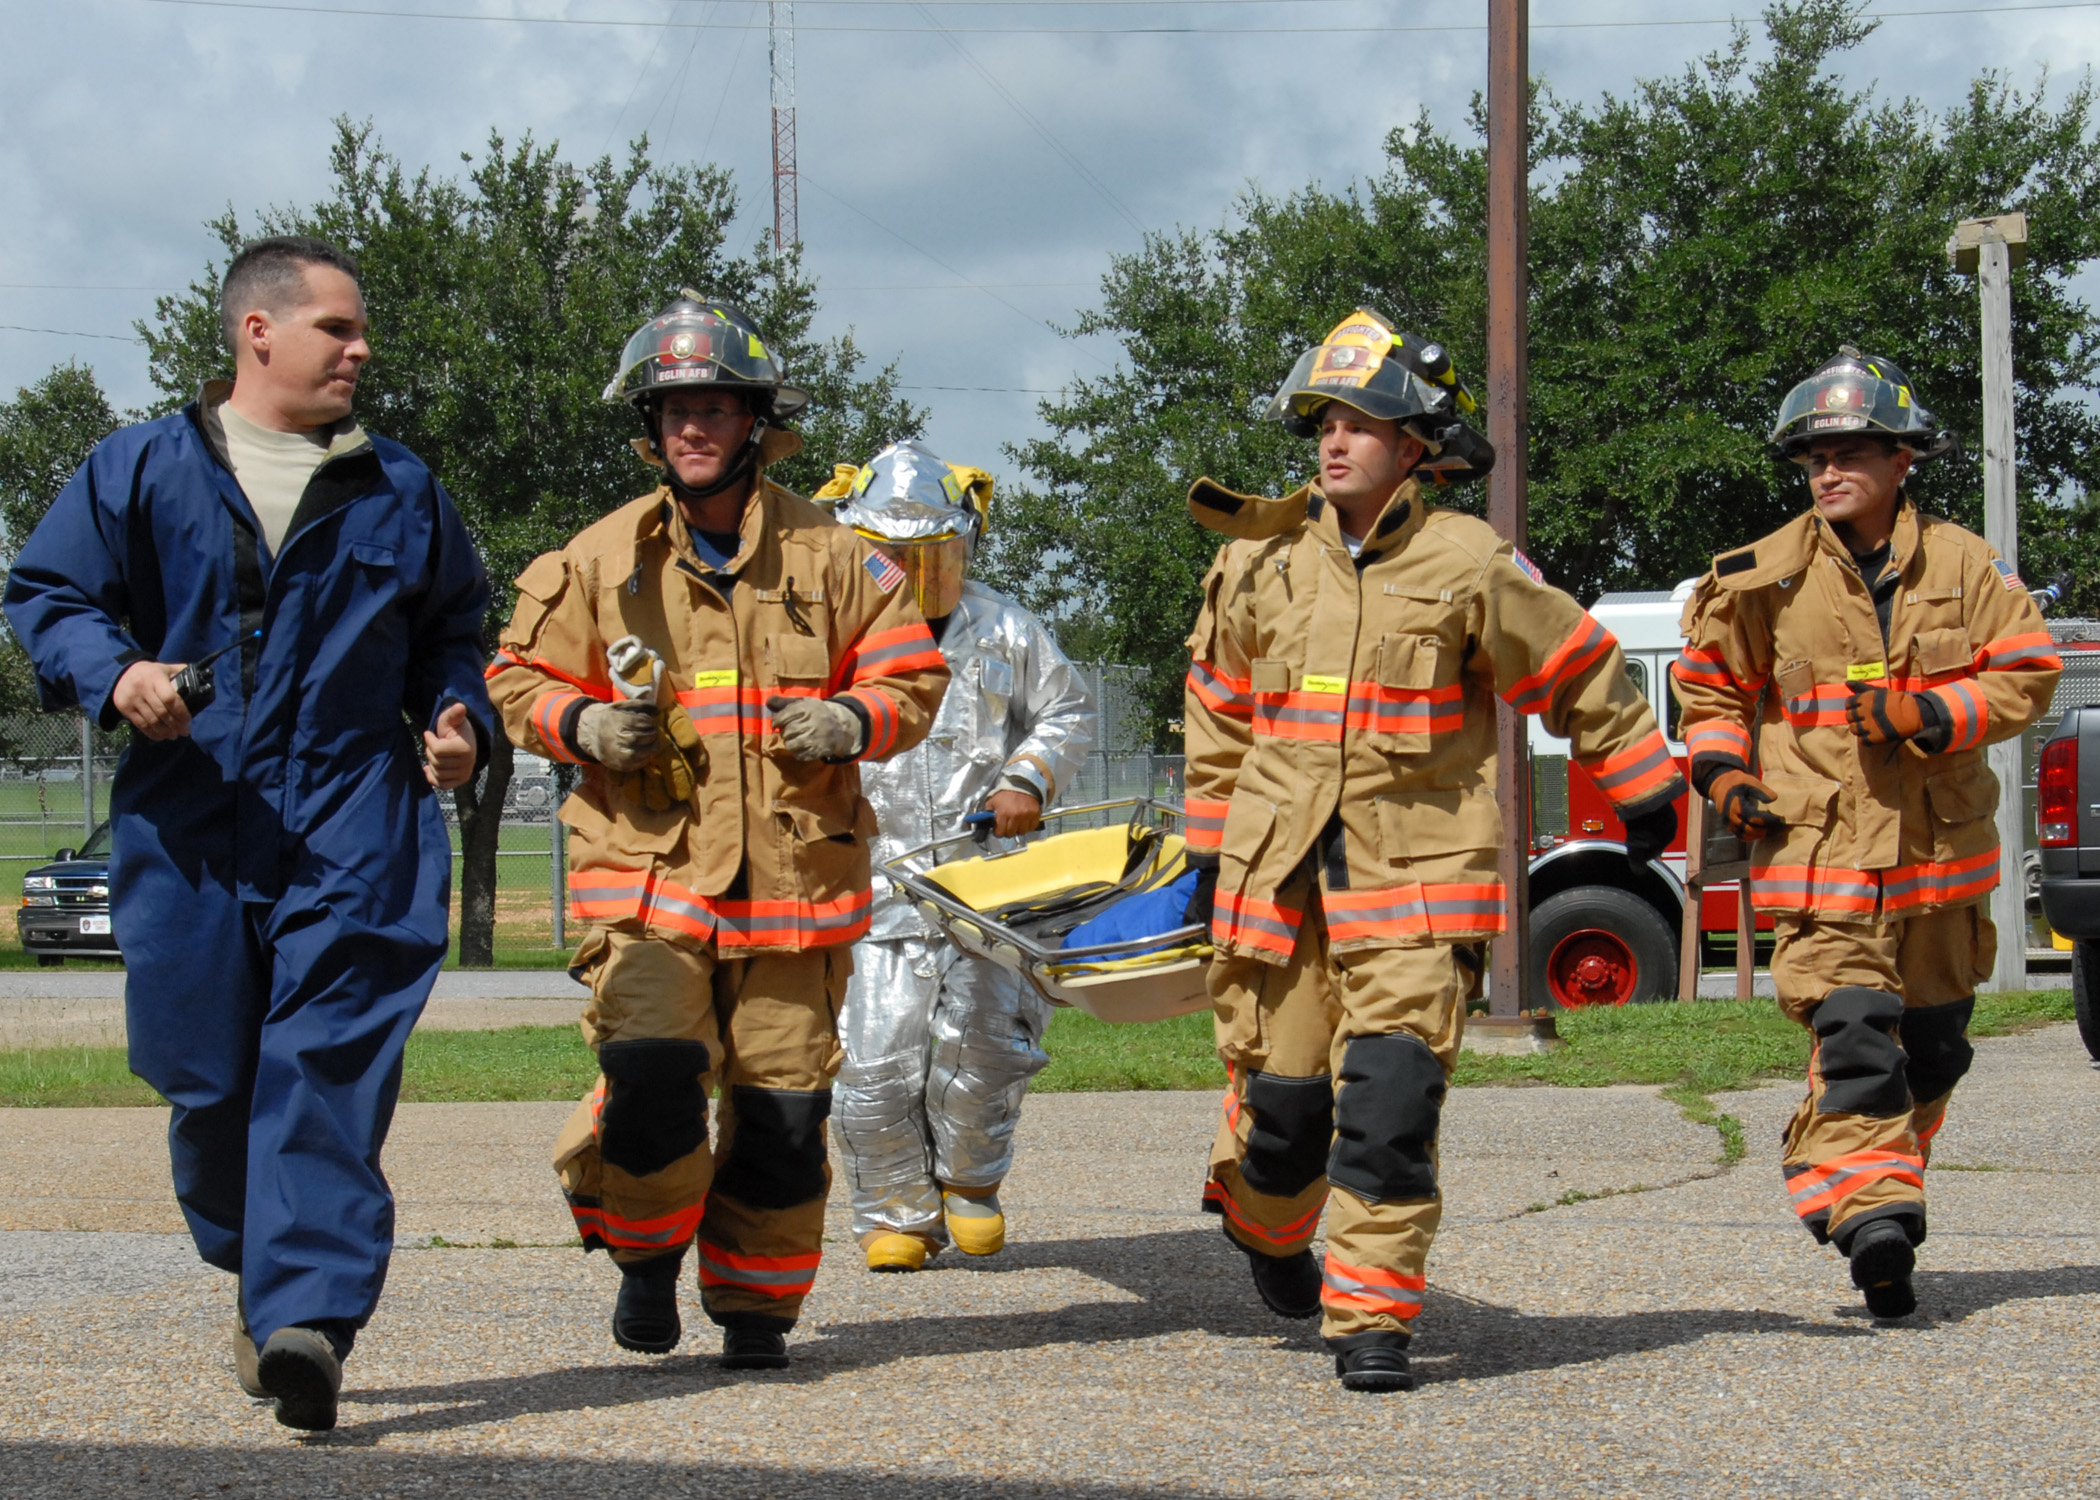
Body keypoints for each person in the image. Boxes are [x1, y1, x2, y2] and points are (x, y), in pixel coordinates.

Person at [3, 235, 492, 1432]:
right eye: (338, 327)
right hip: (191, 819)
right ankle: (257, 1268)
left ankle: (307, 1319)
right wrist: (119, 675)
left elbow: (455, 634)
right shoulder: (139, 467)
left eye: (361, 330)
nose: (361, 349)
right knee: (209, 1080)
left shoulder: (400, 487)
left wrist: (461, 721)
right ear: (257, 331)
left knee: (324, 1066)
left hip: (353, 818)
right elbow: (47, 595)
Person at [1180, 310, 1683, 1392]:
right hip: (1277, 888)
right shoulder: (1259, 561)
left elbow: (1575, 664)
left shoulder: (1468, 562)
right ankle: (1268, 1226)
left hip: (1413, 886)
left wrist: (1641, 777)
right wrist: (1206, 854)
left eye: (1361, 423)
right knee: (1284, 1120)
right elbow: (1217, 711)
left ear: (1415, 445)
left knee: (1392, 1104)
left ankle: (1371, 1319)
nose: (1335, 440)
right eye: (1325, 420)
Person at [485, 293, 950, 1369]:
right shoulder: (598, 560)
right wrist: (582, 724)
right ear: (651, 429)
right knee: (651, 1082)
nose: (693, 427)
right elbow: (514, 677)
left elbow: (912, 678)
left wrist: (853, 720)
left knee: (782, 1118)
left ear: (756, 422)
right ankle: (646, 1261)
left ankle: (754, 1309)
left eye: (716, 407)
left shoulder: (834, 556)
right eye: (674, 410)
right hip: (649, 883)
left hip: (795, 887)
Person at [1672, 348, 2060, 1318]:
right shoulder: (1760, 576)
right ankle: (1875, 1215)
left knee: (1934, 1055)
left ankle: (1858, 1177)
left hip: (1941, 868)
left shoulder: (1968, 567)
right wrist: (1724, 775)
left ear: (1902, 460)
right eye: (1815, 458)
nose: (1828, 471)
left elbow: (2027, 672)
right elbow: (1711, 691)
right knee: (1855, 1041)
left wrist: (1932, 713)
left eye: (1849, 453)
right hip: (1821, 862)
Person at [812, 440, 1097, 1273]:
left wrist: (1027, 781)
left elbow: (1067, 713)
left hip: (988, 886)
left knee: (988, 1048)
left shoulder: (1006, 628)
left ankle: (970, 1183)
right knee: (873, 1063)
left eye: (931, 555)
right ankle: (894, 1214)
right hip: (872, 888)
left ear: (966, 545)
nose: (910, 574)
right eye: (888, 556)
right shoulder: (830, 637)